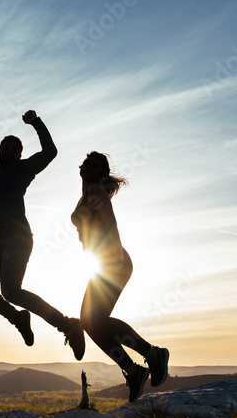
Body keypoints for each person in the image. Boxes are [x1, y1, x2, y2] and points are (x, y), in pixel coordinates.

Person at [0, 110, 85, 360]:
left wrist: (36, 122)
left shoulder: (23, 170)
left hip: (17, 238)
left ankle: (68, 325)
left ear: (20, 156)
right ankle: (18, 318)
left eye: (16, 150)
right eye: (8, 148)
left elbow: (50, 152)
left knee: (11, 291)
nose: (12, 152)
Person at [72, 151, 169, 403]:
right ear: (81, 167)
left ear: (102, 172)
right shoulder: (88, 193)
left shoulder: (95, 192)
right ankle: (141, 365)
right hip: (103, 263)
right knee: (93, 322)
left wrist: (114, 258)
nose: (90, 166)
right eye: (88, 163)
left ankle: (145, 360)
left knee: (90, 320)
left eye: (97, 165)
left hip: (113, 261)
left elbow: (112, 224)